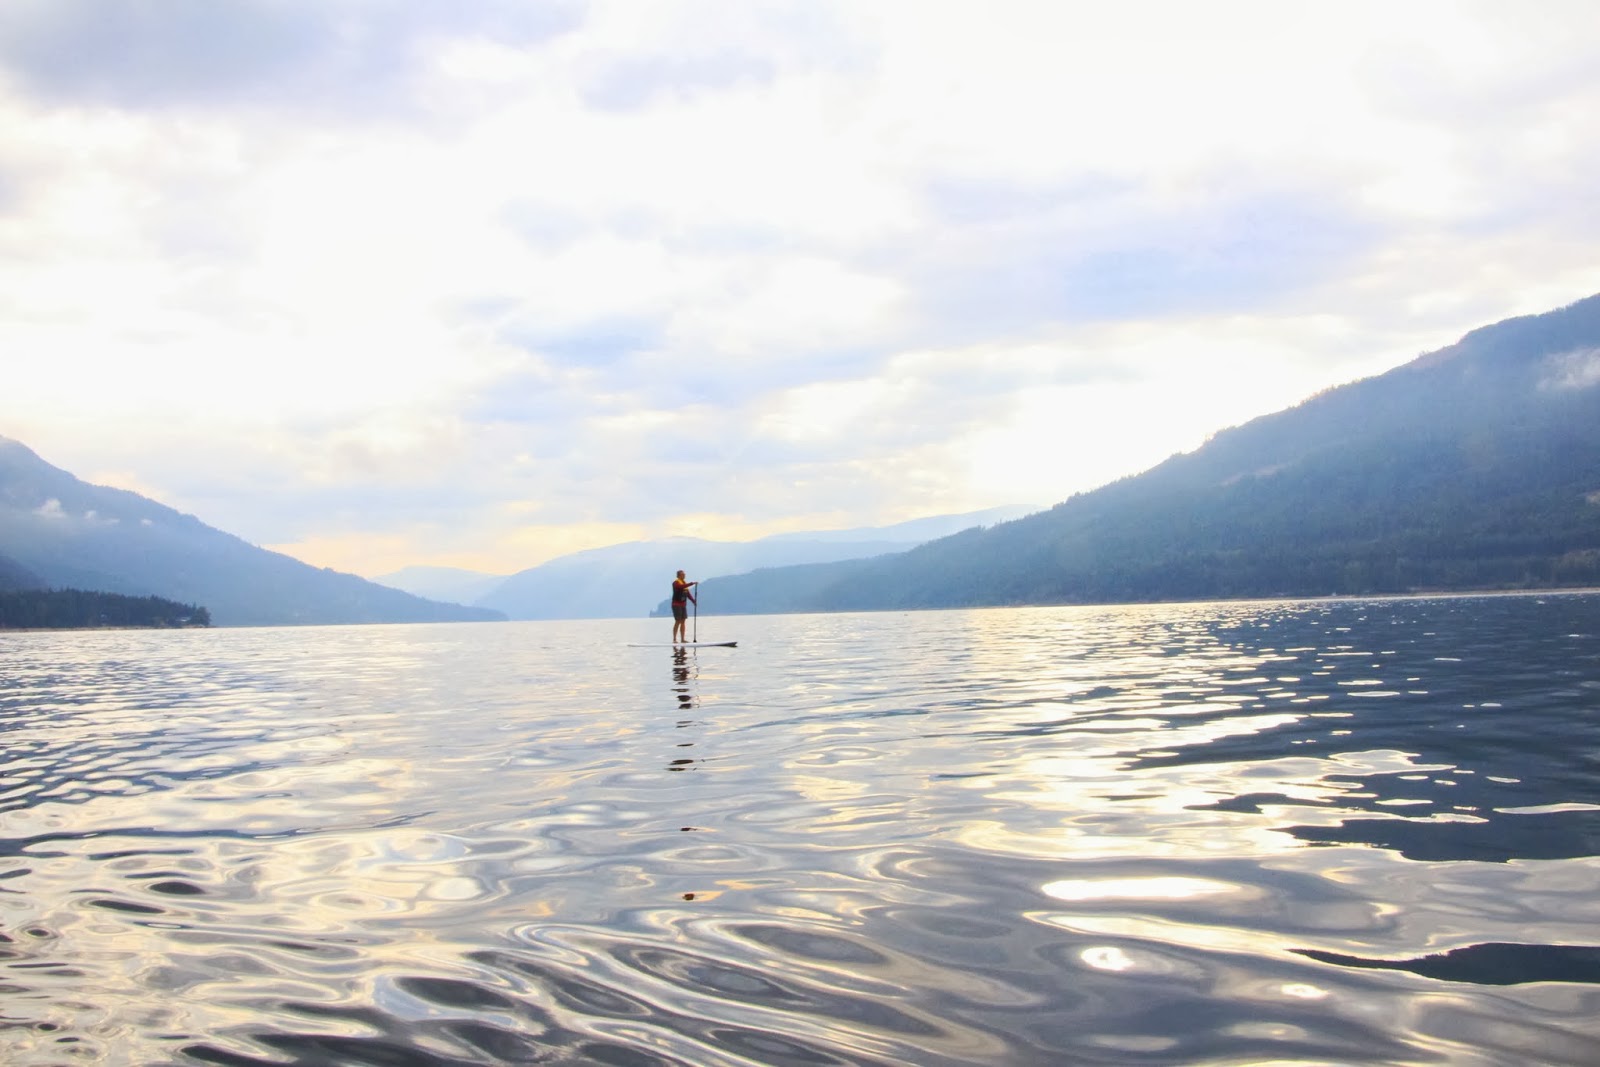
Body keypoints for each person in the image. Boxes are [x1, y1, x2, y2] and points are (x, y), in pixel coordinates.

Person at [671, 570, 698, 644]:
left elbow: (688, 594)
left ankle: (682, 639)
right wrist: (691, 583)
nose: (684, 575)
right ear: (679, 575)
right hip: (676, 605)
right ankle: (674, 639)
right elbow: (680, 587)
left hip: (683, 605)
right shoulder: (676, 583)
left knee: (683, 621)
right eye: (683, 574)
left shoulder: (684, 583)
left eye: (684, 574)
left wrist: (693, 601)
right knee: (678, 621)